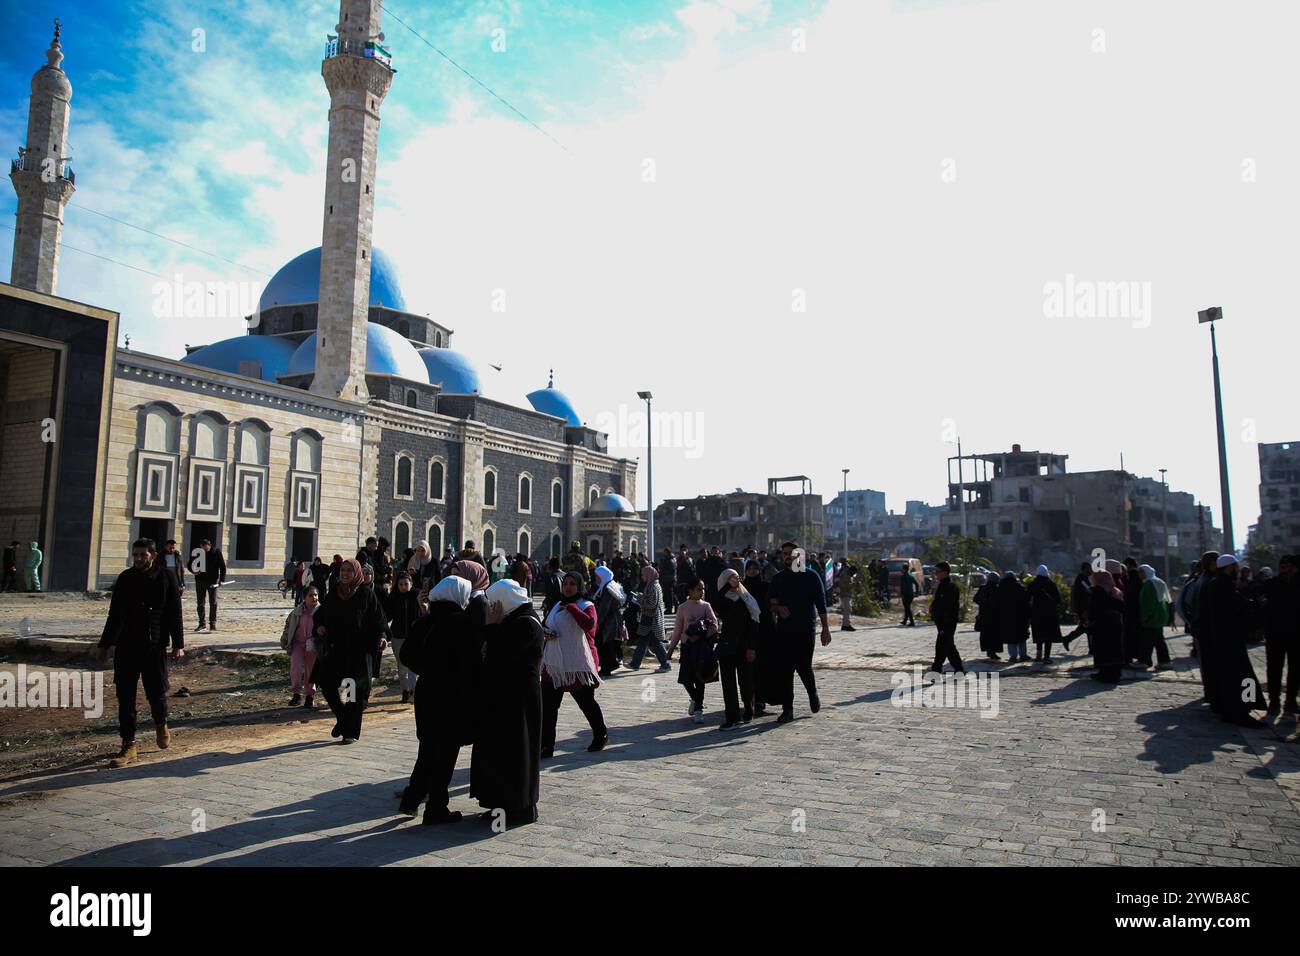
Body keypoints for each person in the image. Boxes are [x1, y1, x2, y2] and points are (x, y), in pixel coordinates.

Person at [397, 575, 480, 824]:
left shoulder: (425, 621)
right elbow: (471, 663)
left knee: (428, 750)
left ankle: (411, 800)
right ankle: (436, 808)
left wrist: (427, 669)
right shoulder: (462, 622)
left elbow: (407, 654)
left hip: (427, 692)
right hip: (452, 695)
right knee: (445, 753)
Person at [96, 538, 184, 768]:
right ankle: (129, 744)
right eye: (135, 555)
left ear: (153, 555)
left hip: (153, 646)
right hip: (126, 646)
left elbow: (175, 612)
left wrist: (178, 644)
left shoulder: (167, 577)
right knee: (125, 697)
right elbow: (114, 615)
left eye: (142, 555)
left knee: (156, 693)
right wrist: (105, 645)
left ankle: (161, 723)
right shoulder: (126, 578)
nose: (138, 559)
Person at [469, 576, 545, 827]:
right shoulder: (515, 620)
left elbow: (503, 656)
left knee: (517, 752)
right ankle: (501, 803)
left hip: (519, 699)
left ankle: (519, 807)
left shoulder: (526, 623)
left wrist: (491, 628)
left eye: (494, 603)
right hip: (506, 697)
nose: (491, 609)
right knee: (503, 751)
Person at [311, 558, 388, 744]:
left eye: (349, 570)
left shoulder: (366, 594)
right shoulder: (333, 594)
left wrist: (383, 635)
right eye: (343, 570)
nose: (345, 573)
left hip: (358, 652)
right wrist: (319, 626)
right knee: (327, 683)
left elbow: (379, 619)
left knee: (352, 690)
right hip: (336, 649)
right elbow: (319, 616)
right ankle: (343, 717)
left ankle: (350, 732)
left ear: (357, 573)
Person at [540, 571, 608, 754]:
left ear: (580, 586)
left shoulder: (586, 605)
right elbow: (546, 623)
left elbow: (589, 626)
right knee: (548, 706)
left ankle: (600, 734)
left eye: (572, 584)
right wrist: (546, 632)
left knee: (586, 702)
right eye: (565, 584)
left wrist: (572, 608)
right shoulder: (556, 605)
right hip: (555, 663)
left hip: (578, 663)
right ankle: (546, 745)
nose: (568, 587)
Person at [1199, 554, 1267, 726]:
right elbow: (1238, 607)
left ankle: (1231, 709)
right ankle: (1244, 709)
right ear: (1230, 567)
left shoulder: (1215, 583)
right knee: (1243, 677)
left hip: (1221, 639)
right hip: (1230, 639)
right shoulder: (1223, 585)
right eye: (1235, 567)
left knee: (1228, 677)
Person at [768, 542, 831, 724]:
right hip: (785, 631)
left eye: (791, 553)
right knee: (785, 671)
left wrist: (825, 629)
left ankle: (812, 694)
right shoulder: (778, 578)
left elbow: (821, 604)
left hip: (805, 630)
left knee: (804, 667)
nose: (787, 556)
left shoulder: (811, 576)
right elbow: (770, 601)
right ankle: (787, 709)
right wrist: (778, 608)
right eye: (785, 553)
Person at [666, 579, 720, 723]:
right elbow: (678, 629)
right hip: (687, 647)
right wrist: (671, 649)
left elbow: (715, 625)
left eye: (703, 589)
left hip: (701, 647)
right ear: (690, 591)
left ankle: (699, 709)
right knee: (686, 678)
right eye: (698, 589)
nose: (701, 592)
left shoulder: (706, 606)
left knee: (700, 678)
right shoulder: (682, 607)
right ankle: (695, 700)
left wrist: (702, 634)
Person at [715, 568, 759, 728]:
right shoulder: (723, 599)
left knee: (746, 681)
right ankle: (732, 717)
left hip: (744, 646)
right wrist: (727, 587)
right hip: (727, 646)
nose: (735, 581)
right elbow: (716, 602)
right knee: (728, 684)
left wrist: (752, 647)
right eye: (731, 579)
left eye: (737, 578)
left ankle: (749, 710)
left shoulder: (746, 598)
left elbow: (754, 623)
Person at [1262, 555, 1300, 715]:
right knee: (1274, 669)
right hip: (1275, 634)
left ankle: (1290, 701)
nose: (1286, 570)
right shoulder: (1270, 585)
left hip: (1296, 634)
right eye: (1283, 566)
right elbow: (1263, 609)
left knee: (1295, 670)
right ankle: (1274, 701)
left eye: (1289, 566)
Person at [743, 559, 777, 717]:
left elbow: (770, 607)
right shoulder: (742, 587)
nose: (752, 571)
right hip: (747, 631)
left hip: (764, 630)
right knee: (749, 668)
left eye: (755, 568)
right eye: (749, 568)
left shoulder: (765, 586)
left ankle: (761, 699)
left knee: (764, 666)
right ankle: (750, 699)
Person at [385, 571, 423, 704]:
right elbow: (387, 615)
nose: (403, 586)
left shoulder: (417, 595)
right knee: (402, 667)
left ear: (411, 584)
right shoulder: (394, 597)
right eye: (401, 584)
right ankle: (405, 690)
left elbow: (423, 614)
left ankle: (414, 691)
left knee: (413, 666)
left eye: (406, 584)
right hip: (398, 636)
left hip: (414, 636)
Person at [280, 585, 319, 708]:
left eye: (316, 595)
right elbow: (288, 626)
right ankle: (296, 694)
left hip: (313, 646)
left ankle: (309, 696)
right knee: (295, 668)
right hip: (298, 644)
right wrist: (285, 639)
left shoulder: (321, 612)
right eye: (311, 595)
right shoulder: (297, 612)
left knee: (310, 671)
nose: (314, 598)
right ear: (304, 598)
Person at [630, 564, 671, 671]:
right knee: (644, 641)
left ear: (649, 574)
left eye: (643, 575)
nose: (642, 577)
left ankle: (665, 664)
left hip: (652, 619)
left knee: (655, 642)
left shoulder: (653, 586)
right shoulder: (651, 584)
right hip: (649, 618)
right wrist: (640, 596)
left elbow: (652, 603)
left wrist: (639, 600)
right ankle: (635, 664)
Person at [1087, 567, 1125, 683]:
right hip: (1115, 623)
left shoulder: (1098, 590)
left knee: (1103, 649)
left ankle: (1105, 673)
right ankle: (1114, 673)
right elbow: (1121, 606)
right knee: (1114, 649)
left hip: (1102, 625)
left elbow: (1095, 608)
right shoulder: (1115, 590)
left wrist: (1090, 620)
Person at [929, 562, 964, 678]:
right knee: (949, 647)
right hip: (940, 622)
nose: (935, 574)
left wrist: (944, 621)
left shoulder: (951, 587)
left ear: (944, 572)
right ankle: (959, 670)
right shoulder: (940, 586)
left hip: (947, 622)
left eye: (937, 572)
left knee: (941, 646)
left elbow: (949, 607)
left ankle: (936, 671)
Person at [592, 565, 627, 676]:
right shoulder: (609, 585)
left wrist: (597, 622)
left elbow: (604, 608)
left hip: (609, 620)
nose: (596, 578)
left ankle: (607, 668)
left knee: (606, 643)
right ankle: (612, 663)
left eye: (597, 576)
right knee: (609, 643)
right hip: (612, 618)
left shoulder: (608, 589)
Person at [1138, 565, 1173, 670]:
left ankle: (1144, 661)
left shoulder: (1149, 584)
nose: (1139, 574)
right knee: (1159, 640)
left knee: (1147, 641)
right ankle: (1164, 661)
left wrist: (1146, 615)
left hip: (1152, 617)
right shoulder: (1158, 581)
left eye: (1141, 572)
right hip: (1160, 615)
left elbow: (1148, 602)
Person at [187, 538, 226, 632]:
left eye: (206, 548)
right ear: (200, 546)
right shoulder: (197, 552)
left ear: (209, 545)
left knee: (213, 602)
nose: (205, 550)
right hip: (200, 580)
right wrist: (193, 571)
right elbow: (189, 564)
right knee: (200, 603)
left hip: (212, 580)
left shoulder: (216, 552)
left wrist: (222, 580)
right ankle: (202, 624)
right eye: (203, 548)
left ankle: (212, 623)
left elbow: (222, 566)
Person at [1028, 565, 1062, 663]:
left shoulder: (1033, 584)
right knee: (1048, 635)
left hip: (1036, 613)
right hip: (1049, 613)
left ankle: (1038, 655)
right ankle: (1046, 657)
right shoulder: (1051, 583)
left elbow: (1027, 597)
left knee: (1039, 634)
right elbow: (1058, 599)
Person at [998, 570, 1030, 663]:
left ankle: (1013, 656)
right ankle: (1023, 655)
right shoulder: (1019, 587)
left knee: (1010, 637)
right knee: (1021, 637)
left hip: (1006, 617)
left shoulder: (1001, 588)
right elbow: (1025, 602)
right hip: (1020, 616)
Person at [1061, 562, 1092, 651]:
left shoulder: (1082, 578)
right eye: (1089, 568)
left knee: (1086, 627)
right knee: (1085, 627)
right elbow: (1088, 590)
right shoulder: (1082, 579)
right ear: (1085, 569)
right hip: (1083, 608)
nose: (1091, 570)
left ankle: (1068, 639)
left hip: (1082, 607)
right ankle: (1067, 639)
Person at [973, 571, 1002, 661]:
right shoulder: (998, 589)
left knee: (986, 634)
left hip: (984, 615)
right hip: (995, 616)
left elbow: (976, 599)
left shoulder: (983, 588)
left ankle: (989, 651)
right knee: (995, 635)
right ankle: (993, 652)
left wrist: (983, 603)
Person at [834, 558, 859, 631]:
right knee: (847, 610)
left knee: (848, 610)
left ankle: (845, 625)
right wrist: (853, 584)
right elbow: (843, 585)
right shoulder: (845, 575)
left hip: (848, 594)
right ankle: (846, 625)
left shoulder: (848, 574)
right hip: (844, 594)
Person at [899, 561, 920, 627]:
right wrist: (916, 592)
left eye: (902, 568)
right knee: (907, 607)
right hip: (911, 594)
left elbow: (902, 587)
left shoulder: (903, 577)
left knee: (907, 608)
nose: (901, 569)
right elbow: (917, 584)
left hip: (905, 594)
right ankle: (905, 621)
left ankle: (912, 622)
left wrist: (902, 594)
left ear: (904, 569)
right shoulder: (911, 575)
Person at [658, 548, 678, 615]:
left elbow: (665, 570)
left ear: (667, 552)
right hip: (671, 579)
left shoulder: (668, 560)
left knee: (669, 594)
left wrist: (662, 574)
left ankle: (669, 608)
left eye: (664, 552)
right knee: (671, 594)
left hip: (668, 579)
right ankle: (674, 607)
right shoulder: (673, 559)